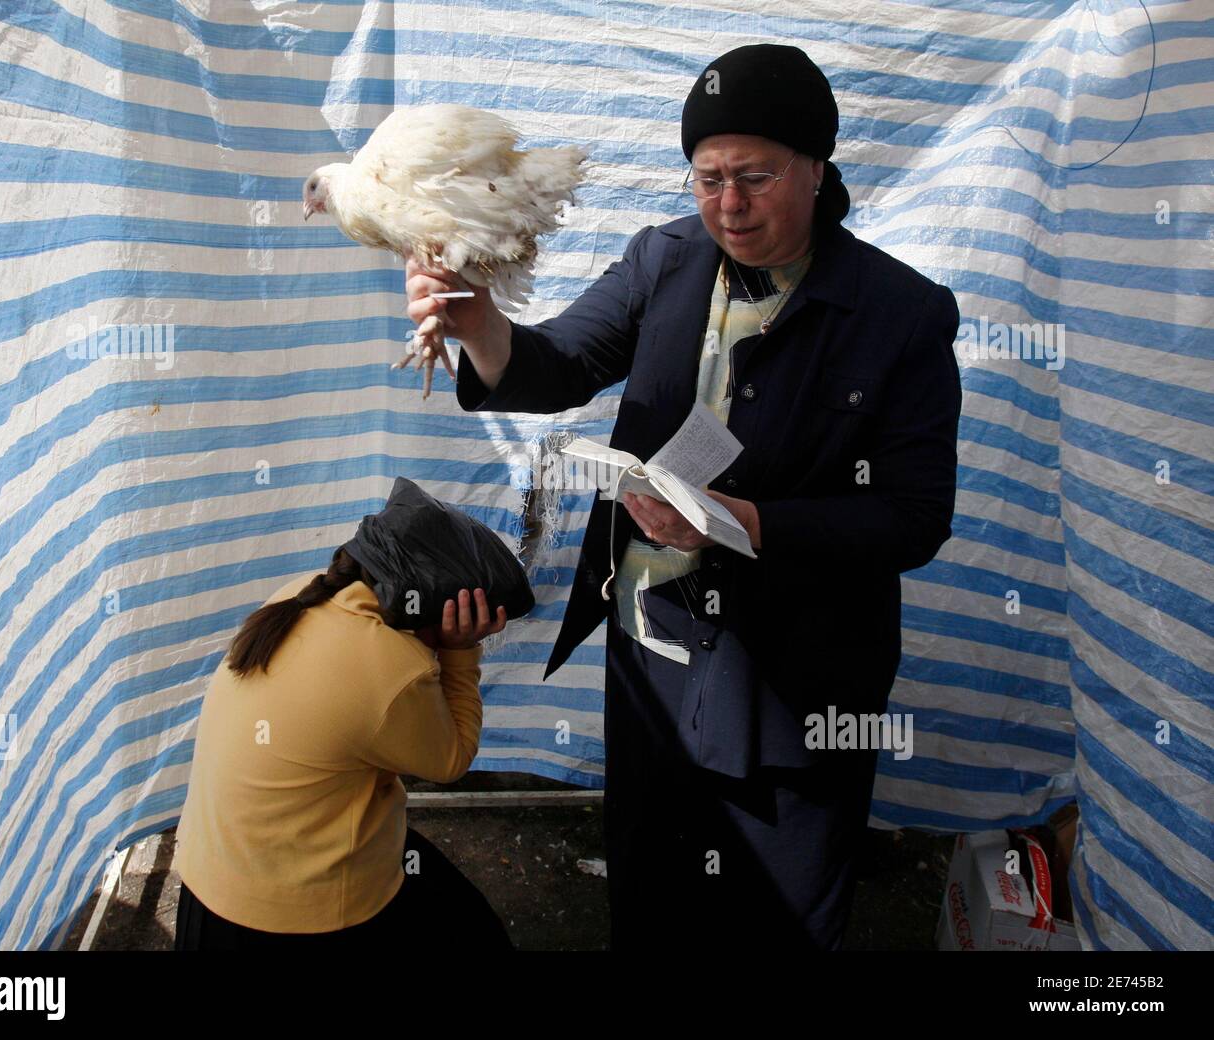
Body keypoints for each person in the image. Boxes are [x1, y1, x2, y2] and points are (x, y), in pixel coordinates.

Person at [406, 43, 963, 949]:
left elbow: (912, 514)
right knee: (655, 899)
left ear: (818, 170)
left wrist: (750, 523)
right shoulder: (663, 260)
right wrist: (481, 324)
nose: (728, 205)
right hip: (654, 652)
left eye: (754, 176)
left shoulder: (901, 313)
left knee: (780, 920)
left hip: (797, 687)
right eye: (707, 178)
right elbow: (565, 363)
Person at [174, 532, 513, 950]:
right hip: (291, 914)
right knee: (476, 934)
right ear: (427, 611)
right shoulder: (394, 665)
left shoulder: (301, 594)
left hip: (206, 885)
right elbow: (452, 760)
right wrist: (461, 650)